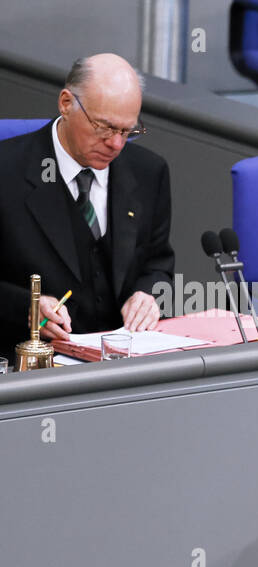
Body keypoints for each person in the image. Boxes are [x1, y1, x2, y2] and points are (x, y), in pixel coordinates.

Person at [0, 53, 173, 359]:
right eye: (104, 128)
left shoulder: (149, 172)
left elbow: (157, 263)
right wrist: (25, 307)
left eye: (128, 130)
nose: (117, 145)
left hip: (125, 359)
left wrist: (148, 295)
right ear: (66, 103)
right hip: (31, 366)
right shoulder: (6, 171)